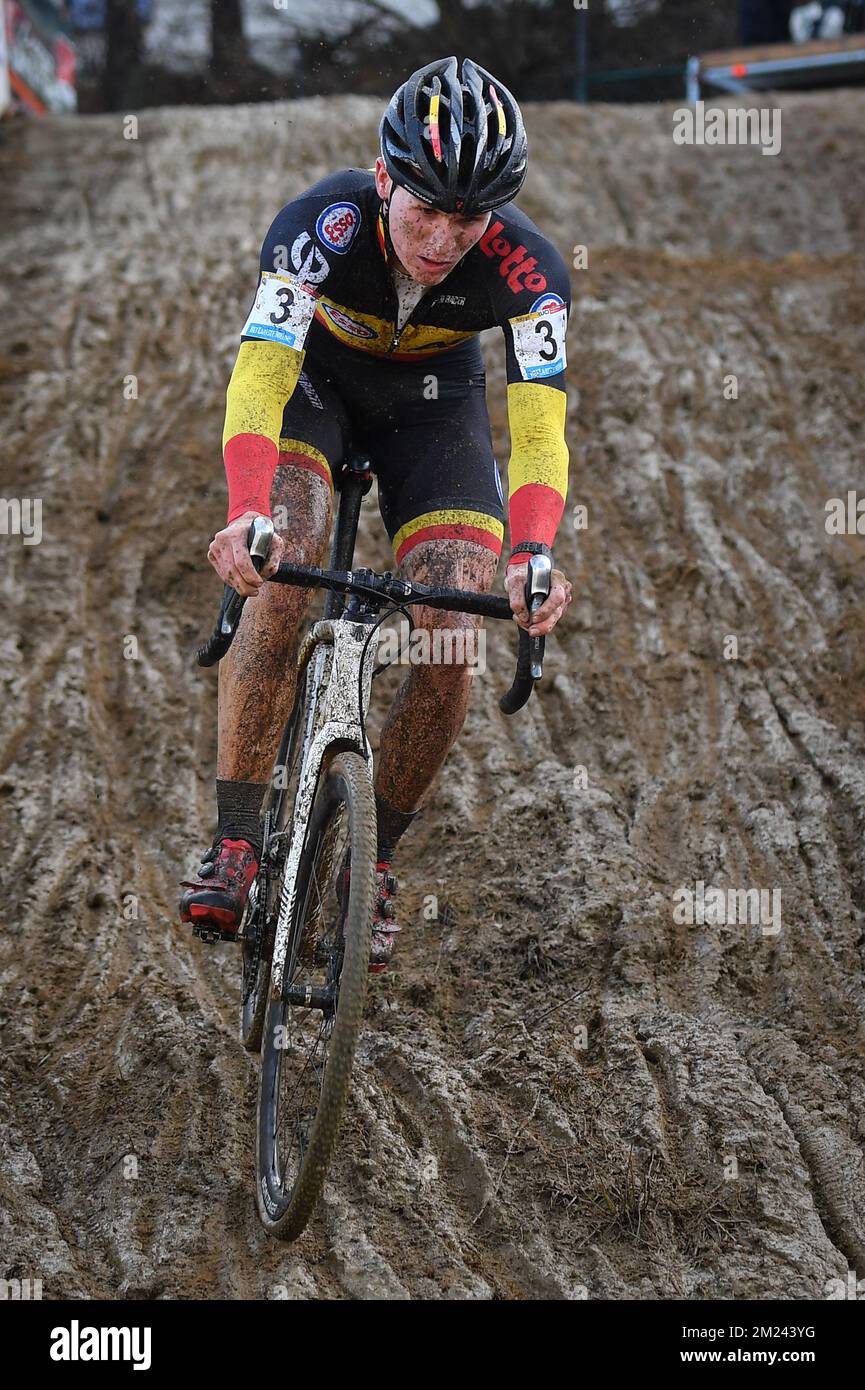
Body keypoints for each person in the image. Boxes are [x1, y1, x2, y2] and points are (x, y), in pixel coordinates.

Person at [180, 55, 573, 972]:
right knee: (287, 559)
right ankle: (236, 839)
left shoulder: (530, 271)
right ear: (384, 175)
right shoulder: (322, 224)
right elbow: (261, 379)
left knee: (450, 634)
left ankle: (374, 862)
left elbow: (539, 429)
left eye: (467, 219)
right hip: (315, 386)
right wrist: (246, 514)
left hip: (435, 411)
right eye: (424, 209)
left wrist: (534, 554)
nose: (442, 240)